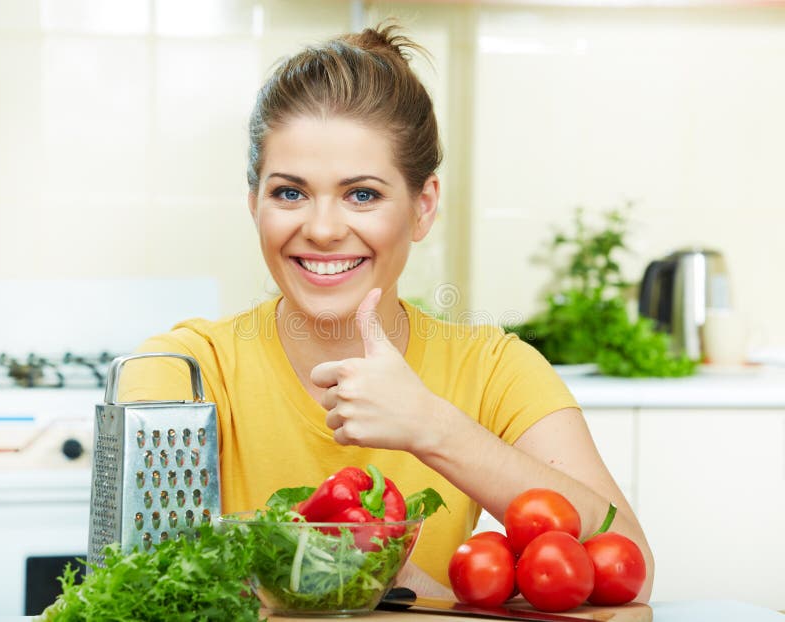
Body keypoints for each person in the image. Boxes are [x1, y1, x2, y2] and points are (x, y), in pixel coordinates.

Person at [121, 23, 654, 599]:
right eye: (290, 193)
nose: (322, 229)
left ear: (422, 208)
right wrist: (367, 580)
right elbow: (150, 586)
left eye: (363, 195)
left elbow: (627, 568)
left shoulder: (495, 369)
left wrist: (433, 427)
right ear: (255, 205)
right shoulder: (183, 369)